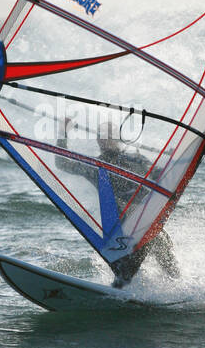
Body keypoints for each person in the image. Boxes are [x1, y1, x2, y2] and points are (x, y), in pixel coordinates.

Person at [55, 117, 180, 283]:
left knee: (170, 263)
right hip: (122, 233)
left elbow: (163, 175)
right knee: (124, 277)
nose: (103, 139)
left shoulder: (137, 160)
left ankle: (179, 290)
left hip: (148, 224)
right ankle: (120, 292)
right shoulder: (95, 166)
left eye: (108, 135)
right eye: (100, 136)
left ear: (117, 138)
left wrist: (176, 159)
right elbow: (62, 163)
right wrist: (63, 133)